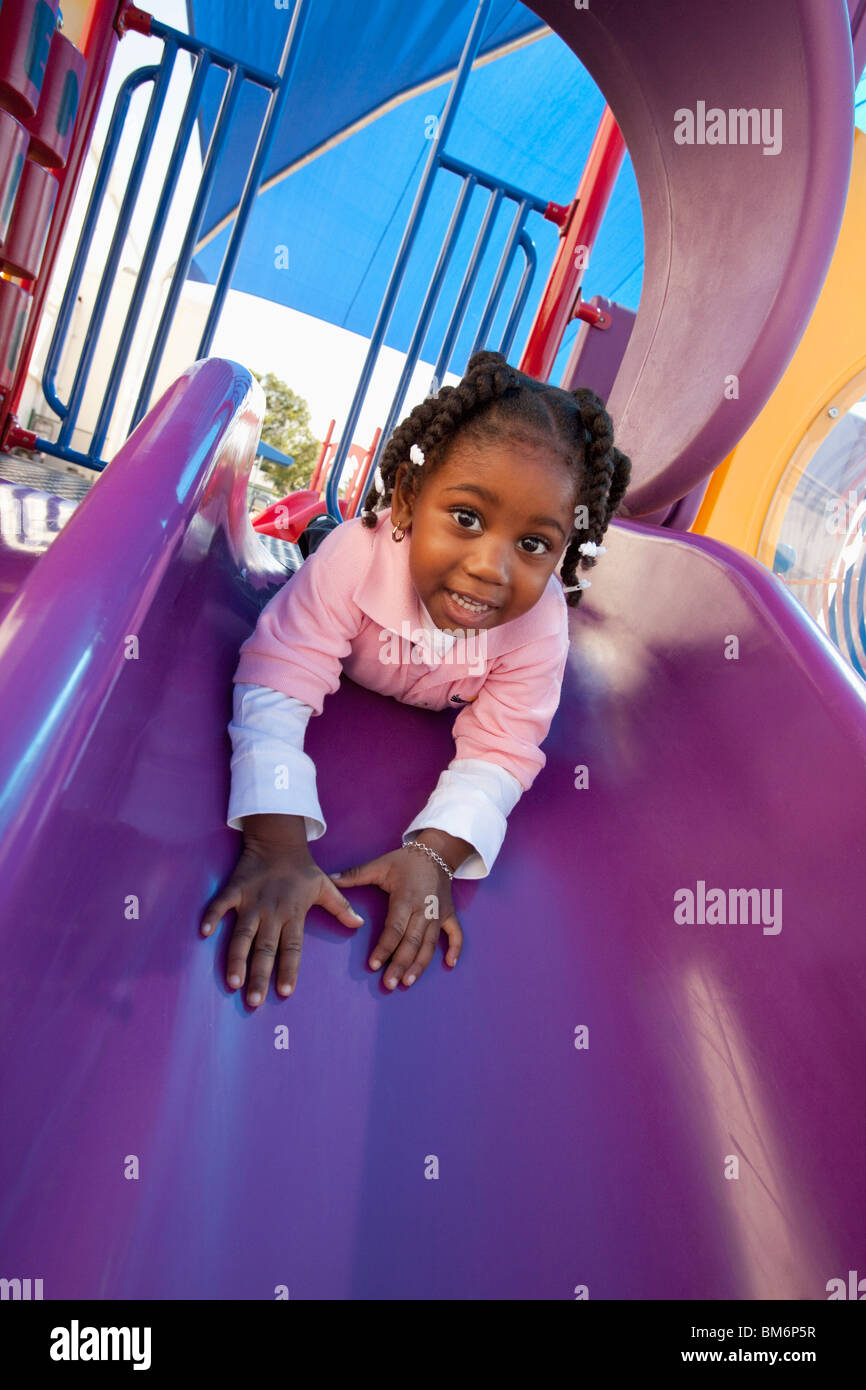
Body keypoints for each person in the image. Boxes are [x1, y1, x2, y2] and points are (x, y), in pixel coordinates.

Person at [200, 350, 631, 1005]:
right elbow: (280, 677)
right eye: (466, 518)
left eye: (534, 544)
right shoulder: (359, 559)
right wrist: (275, 835)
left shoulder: (540, 622)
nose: (492, 566)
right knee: (323, 539)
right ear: (408, 497)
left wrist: (434, 855)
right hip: (344, 576)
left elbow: (502, 747)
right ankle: (308, 522)